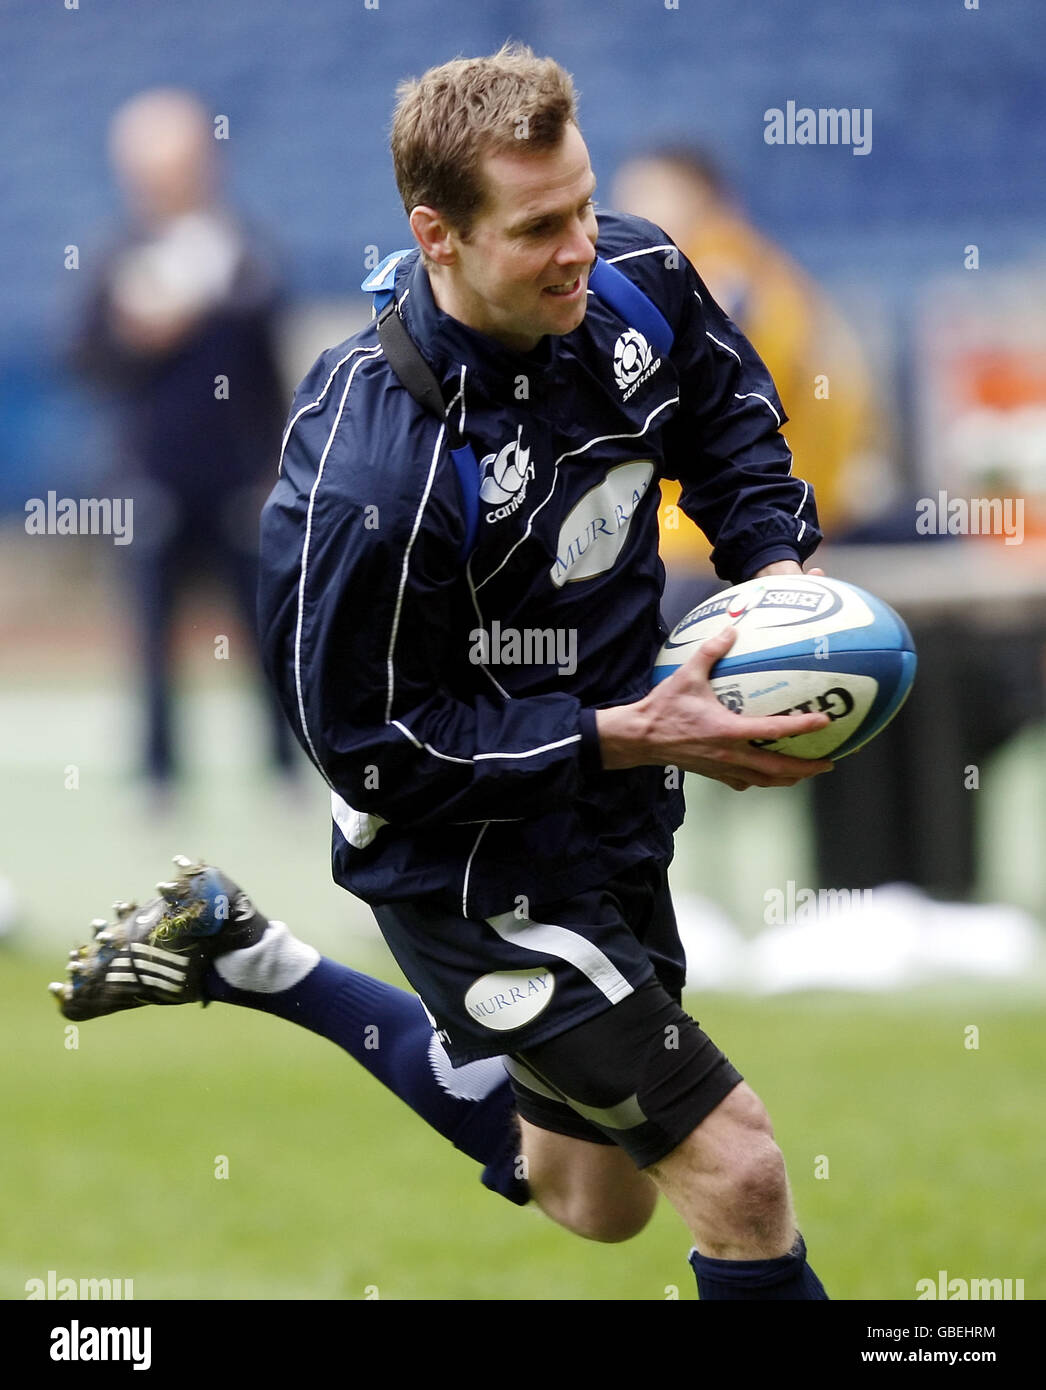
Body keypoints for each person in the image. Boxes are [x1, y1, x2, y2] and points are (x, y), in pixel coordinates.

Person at [53, 46, 835, 1300]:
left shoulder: (631, 278)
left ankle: (262, 963)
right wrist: (610, 736)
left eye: (581, 203)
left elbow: (729, 422)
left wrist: (775, 588)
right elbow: (364, 743)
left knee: (596, 1197)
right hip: (460, 855)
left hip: (612, 809)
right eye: (539, 227)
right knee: (735, 1172)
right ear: (438, 235)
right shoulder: (370, 470)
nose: (583, 243)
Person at [72, 88, 296, 794]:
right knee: (152, 639)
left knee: (261, 630)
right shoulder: (117, 256)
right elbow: (85, 358)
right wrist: (135, 335)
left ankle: (285, 768)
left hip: (236, 475)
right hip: (153, 477)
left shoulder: (241, 248)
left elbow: (269, 364)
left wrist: (273, 463)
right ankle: (159, 776)